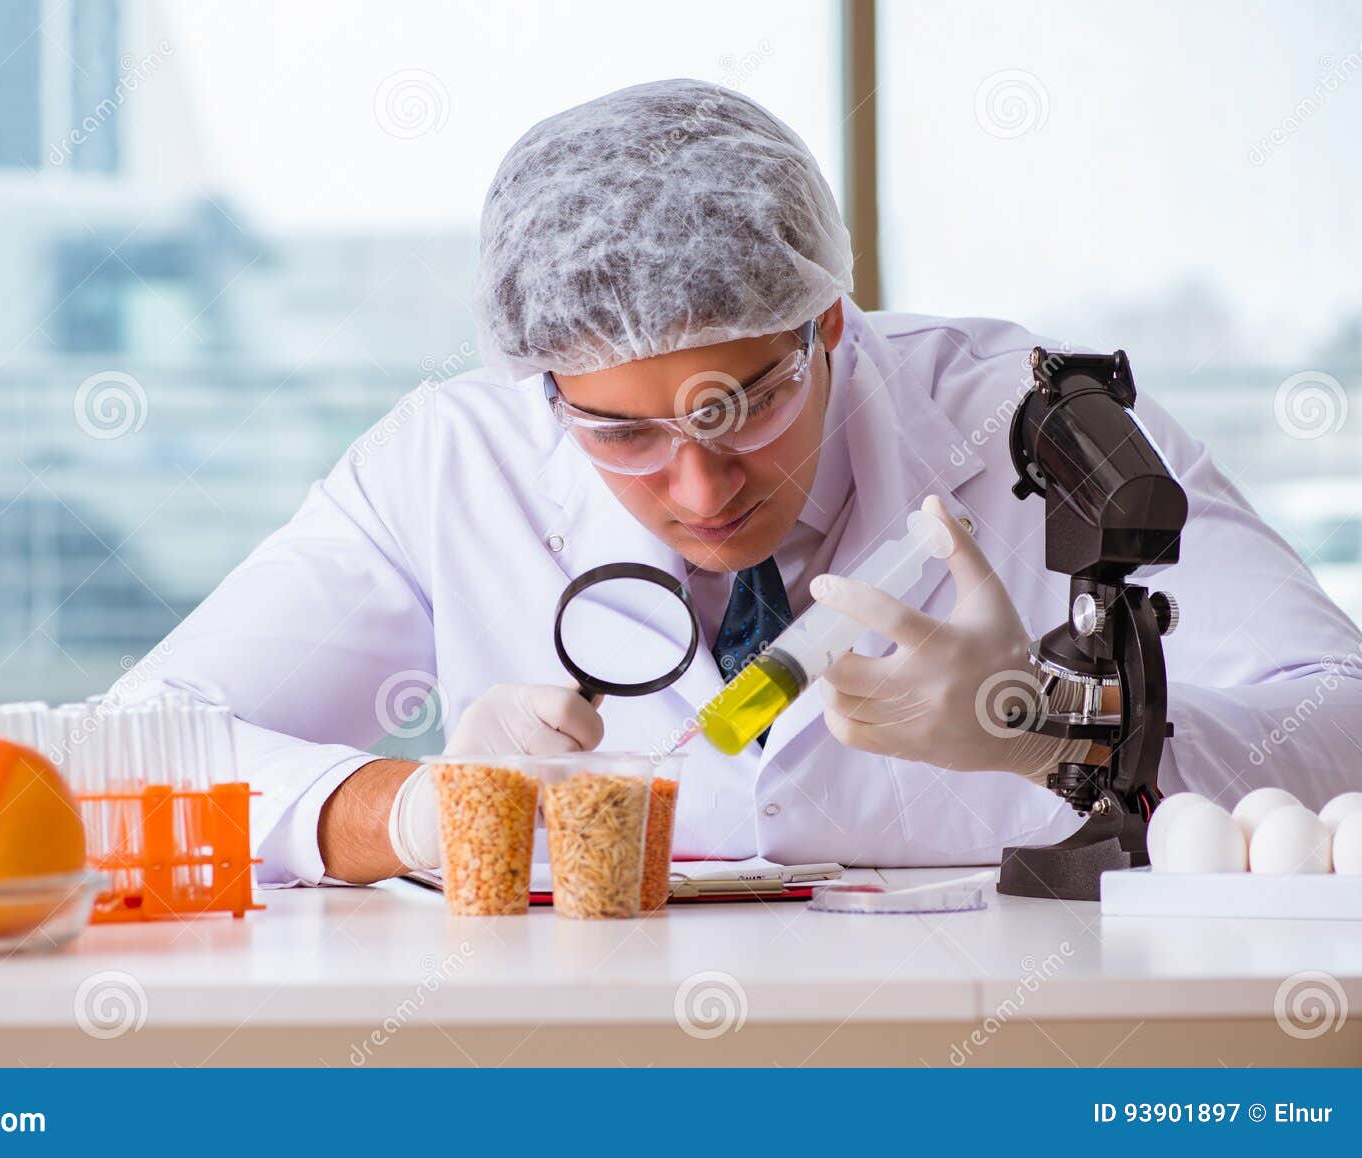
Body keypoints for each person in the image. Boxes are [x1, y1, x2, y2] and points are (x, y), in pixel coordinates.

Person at [114, 79, 1362, 885]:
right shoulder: (449, 460)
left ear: (828, 324)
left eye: (745, 404)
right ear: (546, 389)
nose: (699, 486)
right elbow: (130, 748)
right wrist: (414, 814)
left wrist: (1055, 728)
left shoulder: (1028, 418)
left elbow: (1342, 722)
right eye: (619, 433)